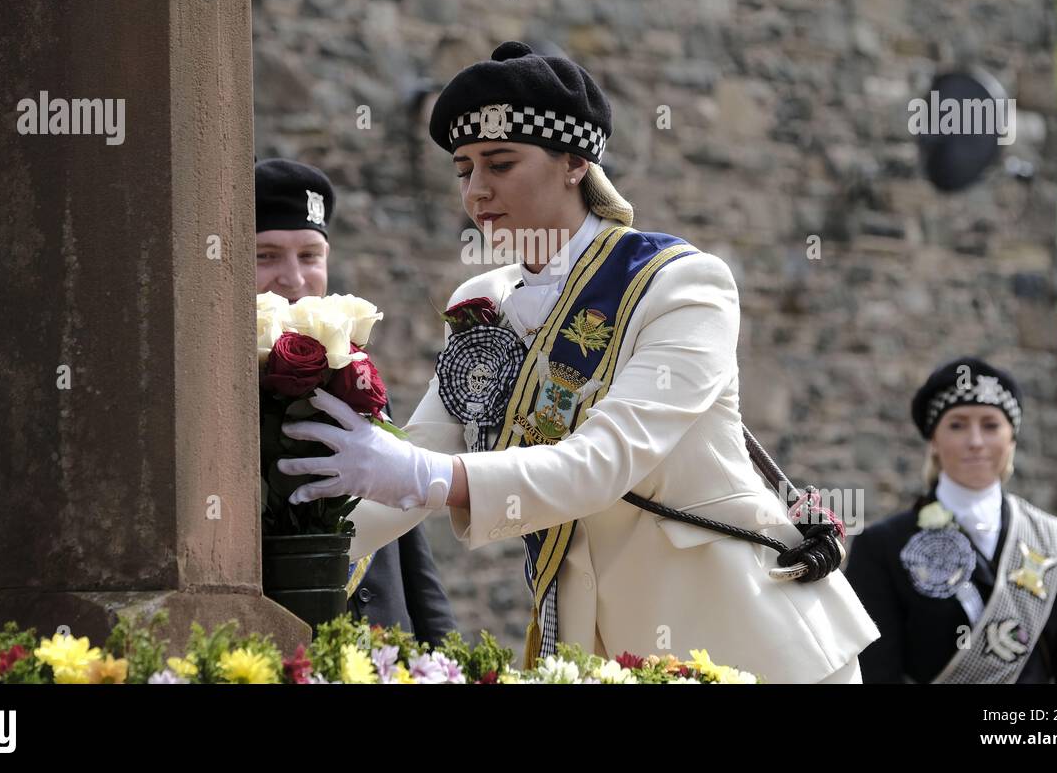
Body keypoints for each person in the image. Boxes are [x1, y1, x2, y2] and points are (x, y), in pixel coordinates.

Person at [277, 42, 879, 681]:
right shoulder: (482, 303)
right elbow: (413, 460)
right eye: (463, 169)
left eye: (501, 163)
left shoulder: (682, 285)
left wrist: (428, 476)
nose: (477, 192)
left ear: (574, 162)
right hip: (596, 649)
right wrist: (282, 566)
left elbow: (607, 459)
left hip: (749, 639)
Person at [255, 158, 457, 645]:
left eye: (309, 256)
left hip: (389, 649)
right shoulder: (215, 387)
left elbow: (404, 524)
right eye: (266, 255)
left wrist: (443, 646)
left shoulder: (345, 366)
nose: (293, 278)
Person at [844, 357, 1057, 683]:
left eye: (990, 425)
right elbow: (874, 675)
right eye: (957, 424)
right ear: (934, 442)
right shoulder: (882, 546)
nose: (975, 441)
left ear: (1011, 439)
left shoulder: (1051, 537)